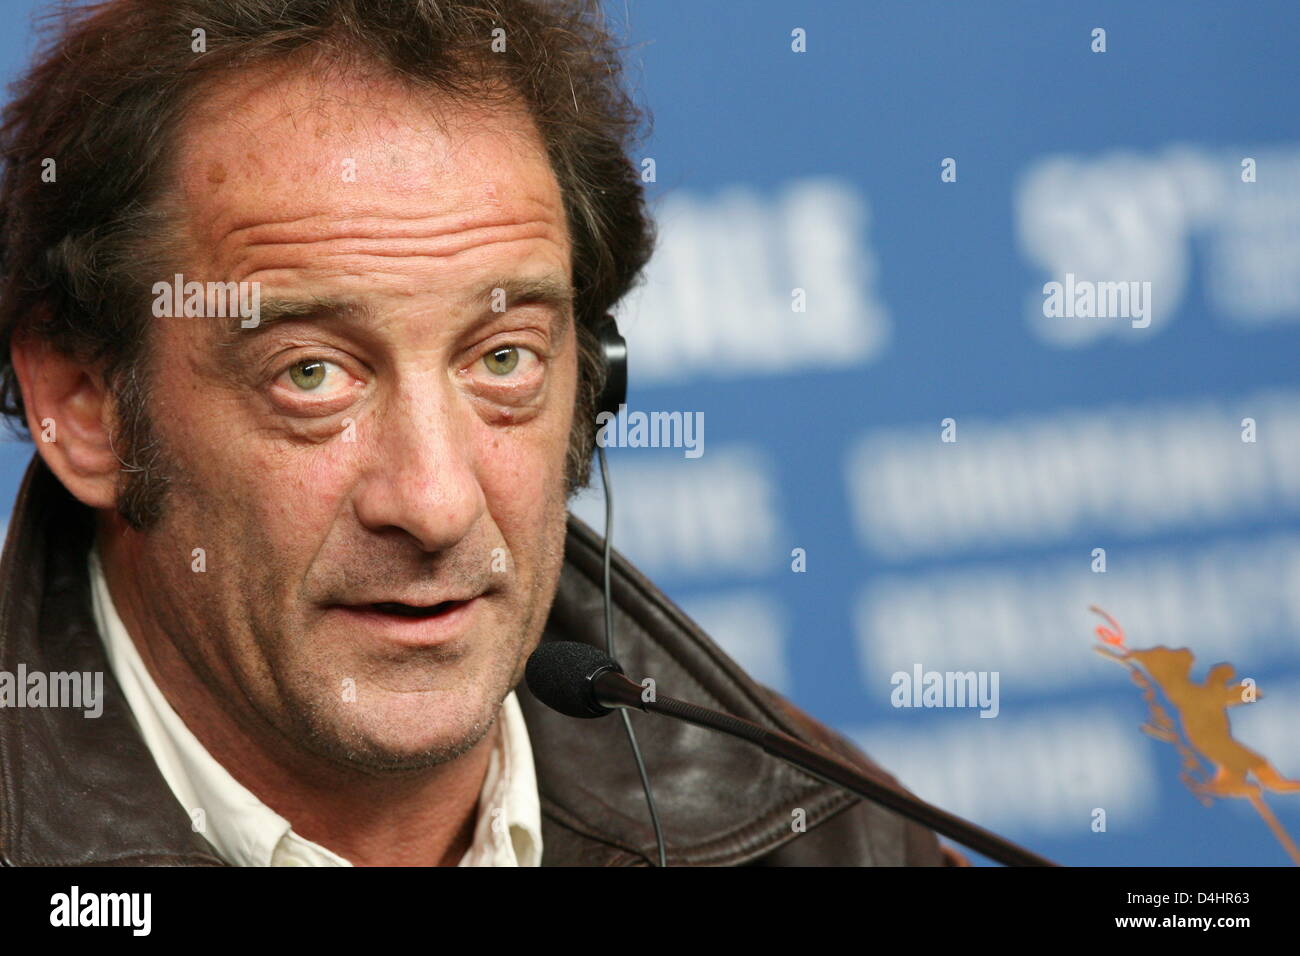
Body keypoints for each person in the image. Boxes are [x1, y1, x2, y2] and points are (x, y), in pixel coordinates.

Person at [0, 0, 962, 867]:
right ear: (87, 410)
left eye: (503, 359)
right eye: (312, 374)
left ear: (596, 379)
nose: (435, 503)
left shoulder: (826, 837)